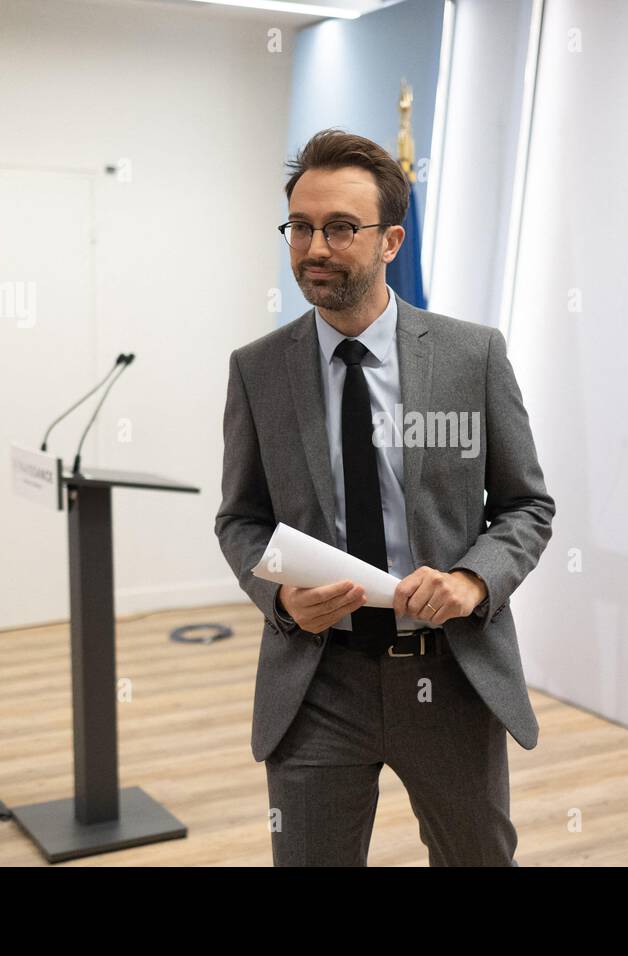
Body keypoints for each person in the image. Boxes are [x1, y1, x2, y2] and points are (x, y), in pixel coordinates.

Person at [214, 128, 555, 865]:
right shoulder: (258, 371)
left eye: (340, 228)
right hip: (317, 678)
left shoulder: (473, 357)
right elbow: (240, 519)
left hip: (450, 672)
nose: (314, 247)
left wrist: (472, 580)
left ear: (391, 241)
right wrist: (277, 600)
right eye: (300, 227)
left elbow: (527, 506)